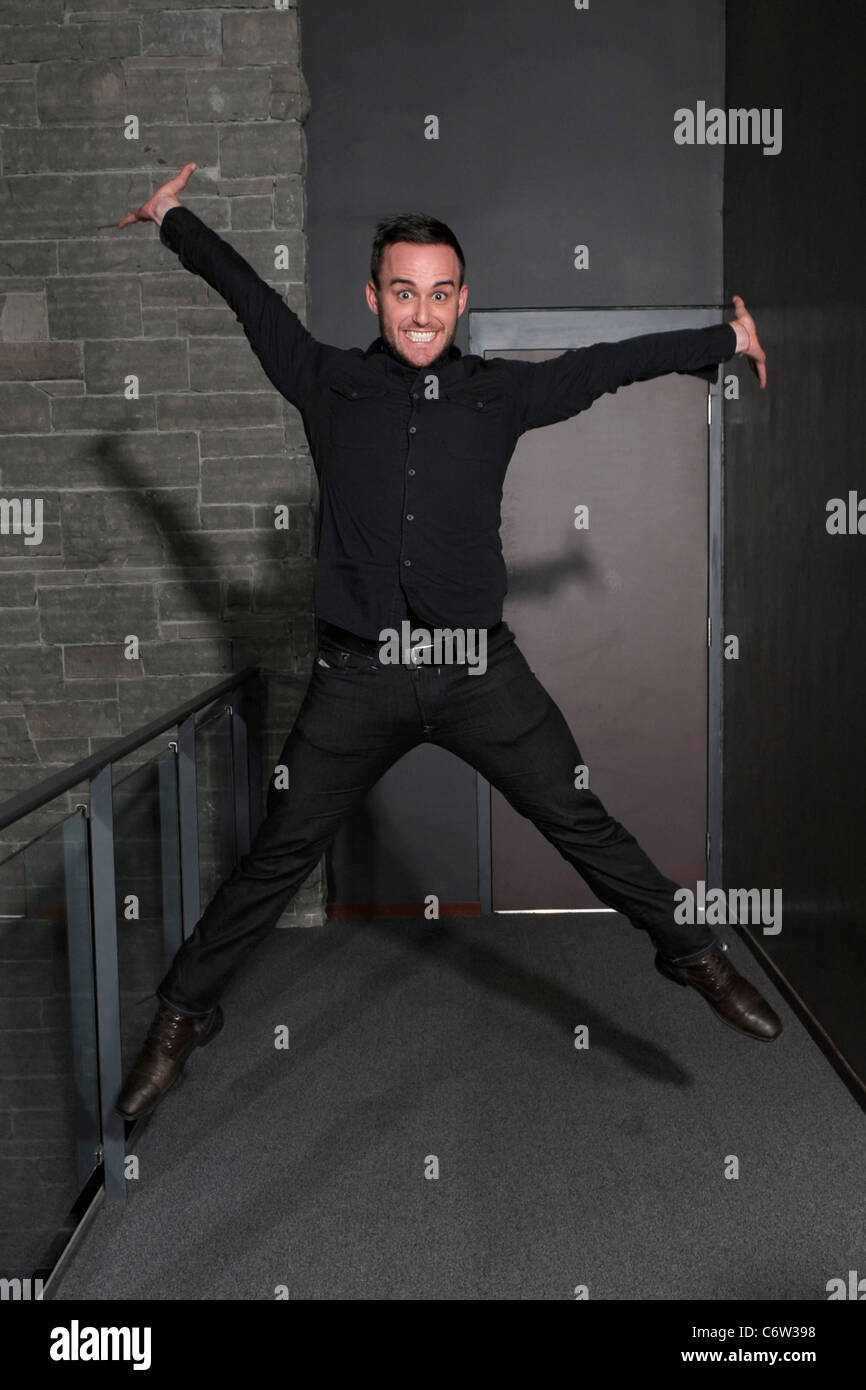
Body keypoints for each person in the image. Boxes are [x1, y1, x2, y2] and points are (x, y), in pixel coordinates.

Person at [114, 163, 779, 1121]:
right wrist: (173, 215)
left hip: (477, 675)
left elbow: (606, 365)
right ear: (373, 296)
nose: (421, 313)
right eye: (403, 292)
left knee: (579, 817)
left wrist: (725, 339)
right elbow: (248, 296)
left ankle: (694, 955)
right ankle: (183, 1014)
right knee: (275, 857)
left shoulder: (499, 394)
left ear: (462, 299)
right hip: (355, 683)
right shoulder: (326, 381)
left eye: (438, 294)